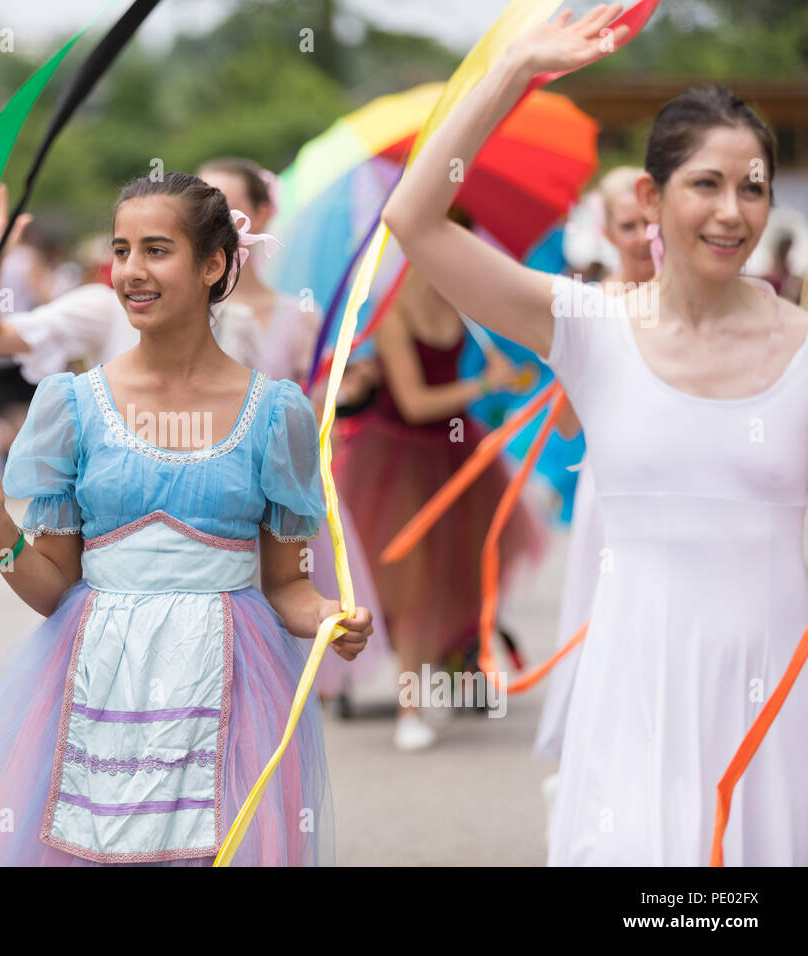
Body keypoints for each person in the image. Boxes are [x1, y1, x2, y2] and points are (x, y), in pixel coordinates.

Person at [382, 4, 808, 864]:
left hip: (779, 694)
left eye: (753, 186)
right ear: (651, 195)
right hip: (638, 692)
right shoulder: (588, 326)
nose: (733, 212)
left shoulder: (802, 345)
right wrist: (511, 70)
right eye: (707, 184)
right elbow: (416, 221)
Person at [0, 172, 374, 866]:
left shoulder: (276, 412)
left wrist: (324, 613)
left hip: (233, 687)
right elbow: (54, 589)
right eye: (122, 250)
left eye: (157, 250)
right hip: (93, 684)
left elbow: (285, 584)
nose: (132, 272)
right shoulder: (72, 406)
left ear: (214, 264)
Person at [332, 261, 544, 751]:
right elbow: (415, 403)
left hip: (455, 451)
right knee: (411, 589)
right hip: (396, 458)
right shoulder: (389, 314)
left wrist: (498, 376)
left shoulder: (458, 302)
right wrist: (486, 384)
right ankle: (410, 706)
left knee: (456, 579)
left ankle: (441, 679)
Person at [534, 168, 654, 772]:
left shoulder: (701, 301)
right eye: (629, 225)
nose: (644, 235)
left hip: (681, 488)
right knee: (608, 615)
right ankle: (601, 760)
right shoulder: (592, 305)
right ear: (607, 231)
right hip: (614, 493)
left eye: (651, 221)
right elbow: (564, 425)